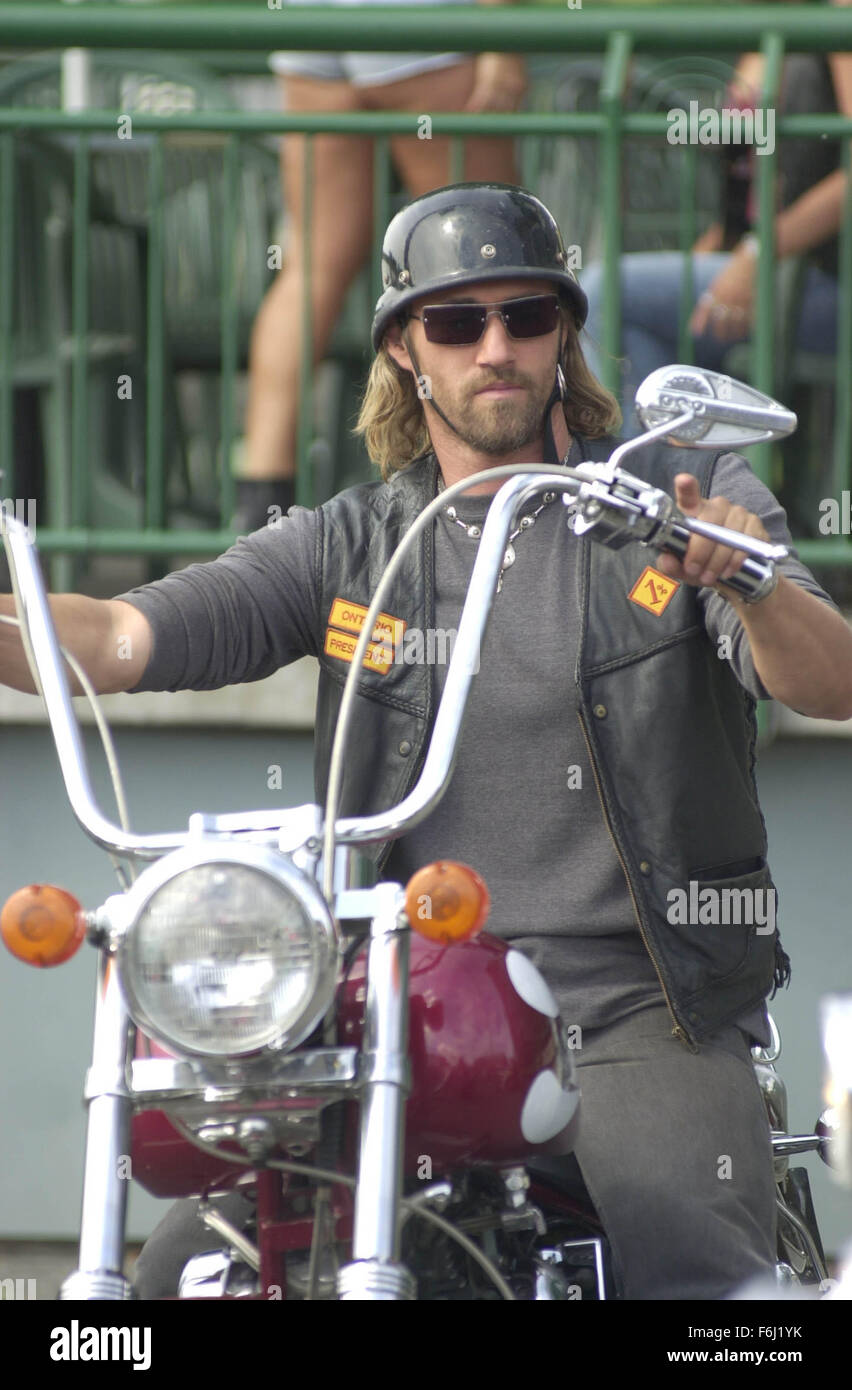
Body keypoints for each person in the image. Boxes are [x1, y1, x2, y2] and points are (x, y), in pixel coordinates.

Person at [2, 183, 852, 1300]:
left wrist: (745, 577)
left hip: (641, 998)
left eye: (526, 316)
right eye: (457, 321)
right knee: (184, 1273)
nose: (495, 346)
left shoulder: (670, 500)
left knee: (693, 1280)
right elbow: (115, 636)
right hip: (409, 1003)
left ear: (563, 333)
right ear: (407, 346)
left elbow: (829, 680)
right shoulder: (351, 548)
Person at [236, 0, 526, 532]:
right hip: (421, 23)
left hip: (315, 21)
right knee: (493, 254)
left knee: (311, 268)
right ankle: (507, 490)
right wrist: (500, 30)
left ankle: (259, 506)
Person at [580, 0, 852, 437]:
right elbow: (752, 193)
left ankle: (642, 489)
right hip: (770, 264)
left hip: (826, 279)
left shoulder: (840, 13)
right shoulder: (765, 21)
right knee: (644, 327)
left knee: (606, 292)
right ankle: (677, 488)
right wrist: (718, 251)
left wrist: (756, 254)